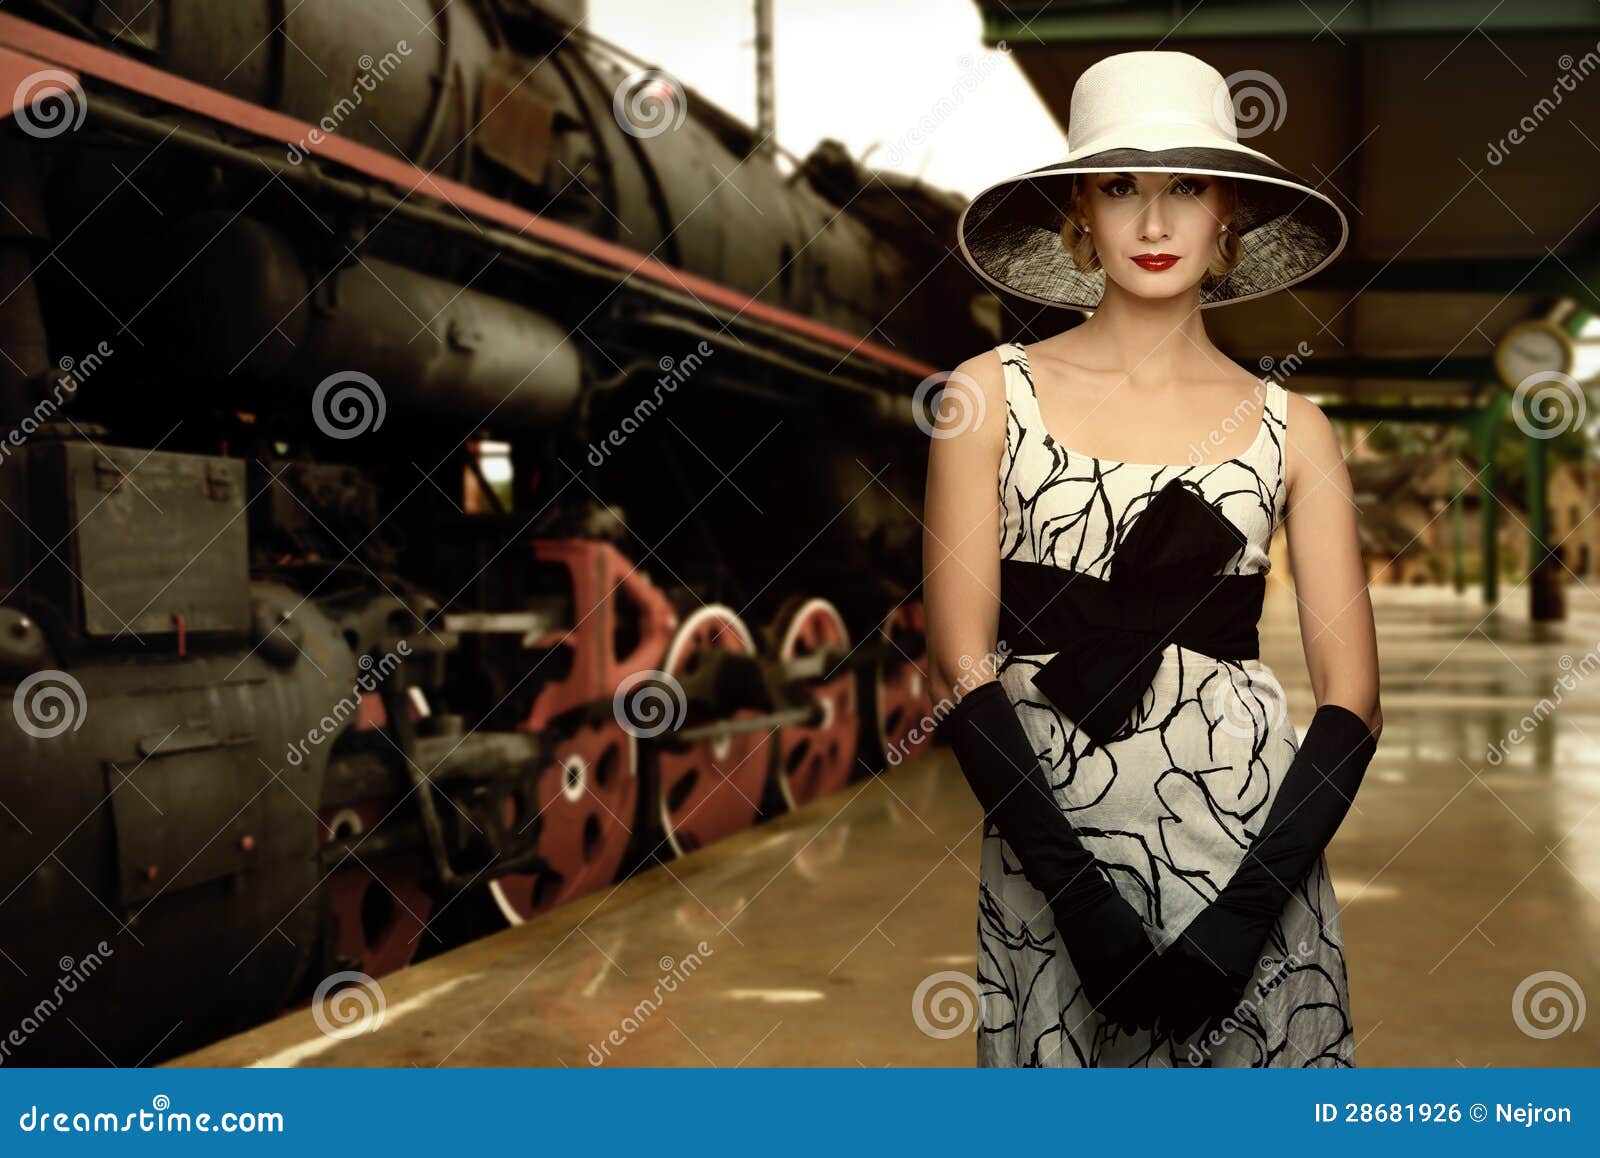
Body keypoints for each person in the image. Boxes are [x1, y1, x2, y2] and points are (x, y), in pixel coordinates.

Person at [923, 49, 1382, 1067]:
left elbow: (1352, 700)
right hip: (1053, 884)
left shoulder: (1293, 429)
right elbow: (955, 664)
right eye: (1120, 185)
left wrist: (1241, 924)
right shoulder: (983, 396)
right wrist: (1082, 907)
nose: (1153, 220)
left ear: (1229, 216)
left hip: (1252, 879)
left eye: (1187, 185)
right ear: (1079, 212)